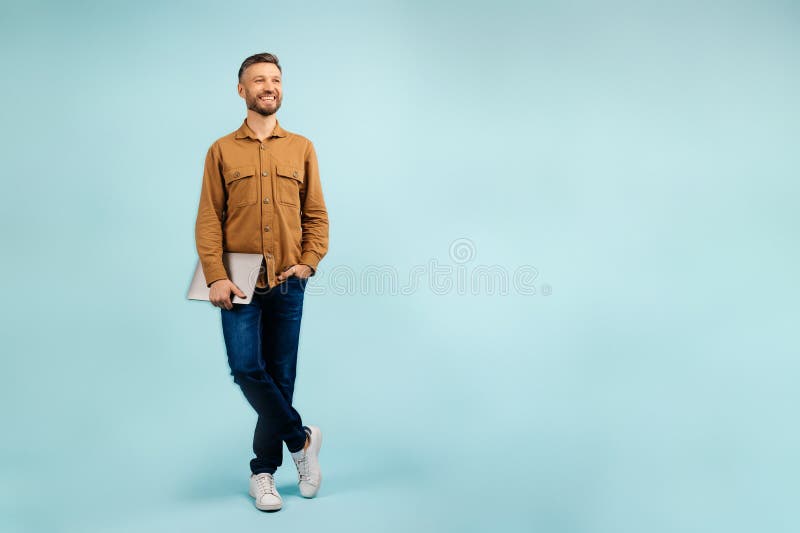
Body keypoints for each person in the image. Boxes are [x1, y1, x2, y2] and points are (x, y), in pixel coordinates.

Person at [194, 52, 329, 512]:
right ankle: (302, 439)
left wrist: (309, 262)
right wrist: (215, 275)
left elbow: (316, 215)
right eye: (258, 80)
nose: (268, 86)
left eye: (274, 79)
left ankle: (263, 473)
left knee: (281, 377)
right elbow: (209, 219)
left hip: (290, 277)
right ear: (242, 90)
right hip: (238, 278)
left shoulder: (302, 147)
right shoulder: (221, 150)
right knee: (247, 369)